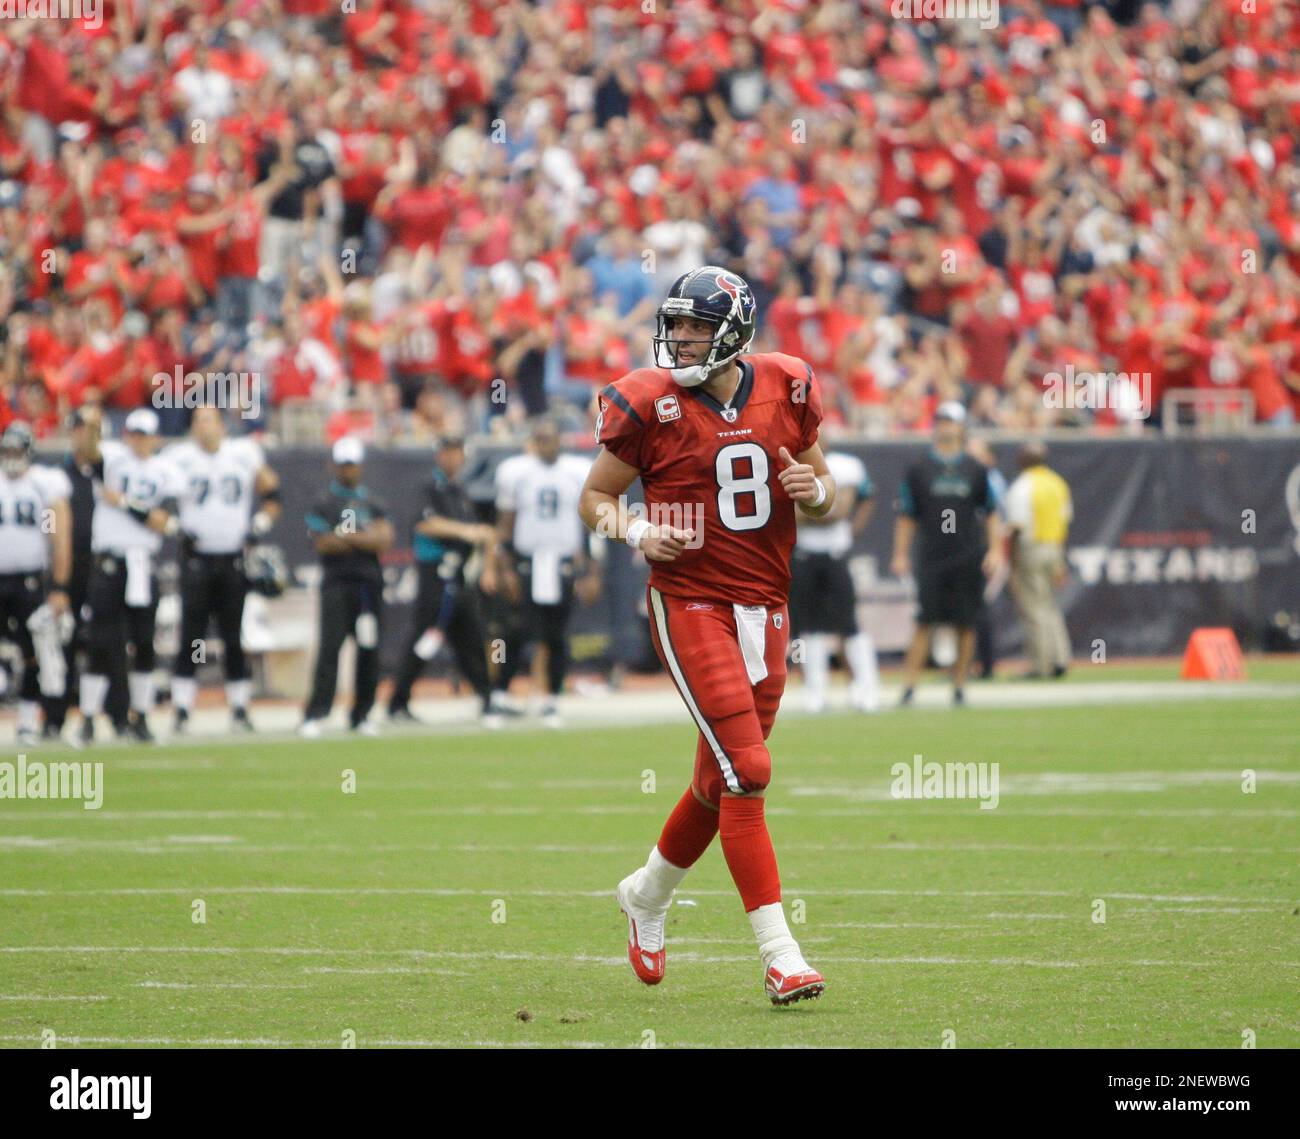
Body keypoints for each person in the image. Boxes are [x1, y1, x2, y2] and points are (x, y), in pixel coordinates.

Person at [578, 265, 835, 1006]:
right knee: (748, 768)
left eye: (697, 326)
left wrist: (816, 492)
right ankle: (781, 954)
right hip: (690, 601)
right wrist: (635, 530)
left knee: (717, 780)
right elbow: (594, 497)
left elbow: (826, 494)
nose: (683, 338)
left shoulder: (787, 384)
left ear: (735, 332)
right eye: (678, 325)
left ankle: (645, 894)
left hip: (767, 605)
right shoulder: (649, 401)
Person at [165, 406, 281, 734]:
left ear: (222, 426)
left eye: (210, 420)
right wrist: (174, 527)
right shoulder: (178, 458)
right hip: (196, 559)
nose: (205, 427)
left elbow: (274, 493)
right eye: (199, 421)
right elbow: (154, 500)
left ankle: (240, 708)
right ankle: (182, 708)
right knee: (192, 637)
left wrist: (260, 523)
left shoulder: (243, 454)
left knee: (233, 635)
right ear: (192, 428)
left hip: (233, 559)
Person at [79, 408, 183, 745]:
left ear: (156, 438)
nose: (139, 441)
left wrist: (124, 501)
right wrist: (91, 422)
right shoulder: (112, 458)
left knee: (144, 642)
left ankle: (141, 715)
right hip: (109, 561)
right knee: (99, 641)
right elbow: (88, 450)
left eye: (144, 435)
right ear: (127, 435)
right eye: (134, 434)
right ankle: (88, 717)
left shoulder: (167, 470)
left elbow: (165, 522)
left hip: (141, 563)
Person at [891, 402, 1003, 707]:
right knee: (925, 621)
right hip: (932, 555)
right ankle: (909, 686)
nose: (945, 426)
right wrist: (900, 553)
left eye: (951, 421)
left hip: (968, 553)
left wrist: (994, 549)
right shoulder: (919, 469)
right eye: (941, 420)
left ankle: (959, 685)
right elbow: (907, 515)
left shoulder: (976, 469)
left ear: (961, 426)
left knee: (966, 623)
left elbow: (991, 511)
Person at [386, 435, 501, 728]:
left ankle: (487, 698)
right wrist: (466, 532)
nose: (453, 458)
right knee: (424, 636)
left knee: (470, 637)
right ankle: (398, 700)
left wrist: (486, 562)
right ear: (439, 455)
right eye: (448, 452)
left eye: (457, 452)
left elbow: (484, 533)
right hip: (436, 573)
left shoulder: (459, 490)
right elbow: (425, 522)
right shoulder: (430, 487)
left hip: (460, 575)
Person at [491, 417, 597, 727]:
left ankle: (551, 699)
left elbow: (590, 525)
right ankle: (500, 695)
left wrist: (591, 571)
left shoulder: (577, 471)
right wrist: (504, 568)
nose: (546, 444)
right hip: (527, 561)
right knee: (515, 631)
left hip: (562, 563)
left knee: (556, 635)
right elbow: (505, 525)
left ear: (560, 440)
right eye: (540, 438)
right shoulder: (516, 472)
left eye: (550, 438)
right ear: (533, 442)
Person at [44, 408, 130, 739]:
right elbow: (49, 523)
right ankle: (54, 719)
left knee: (109, 642)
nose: (85, 434)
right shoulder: (58, 476)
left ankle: (118, 716)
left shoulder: (111, 469)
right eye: (80, 428)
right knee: (61, 645)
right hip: (71, 567)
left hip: (104, 566)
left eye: (91, 428)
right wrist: (56, 576)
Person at [300, 437, 393, 738]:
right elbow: (323, 543)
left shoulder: (373, 501)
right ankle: (316, 713)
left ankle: (362, 713)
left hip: (369, 586)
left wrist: (345, 535)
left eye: (352, 464)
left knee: (369, 648)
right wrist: (363, 536)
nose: (348, 470)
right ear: (334, 466)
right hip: (337, 584)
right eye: (343, 464)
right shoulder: (325, 501)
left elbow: (384, 540)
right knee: (330, 648)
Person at [790, 449, 880, 713]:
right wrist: (818, 513)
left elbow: (841, 511)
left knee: (849, 625)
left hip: (835, 553)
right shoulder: (789, 463)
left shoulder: (845, 466)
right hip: (803, 554)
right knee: (805, 628)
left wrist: (848, 525)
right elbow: (791, 514)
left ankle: (865, 688)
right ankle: (814, 690)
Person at [0, 422, 73, 746]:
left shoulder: (43, 486)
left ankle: (28, 722)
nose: (12, 456)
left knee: (32, 652)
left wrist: (59, 586)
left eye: (17, 450)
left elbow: (56, 535)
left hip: (30, 579)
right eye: (7, 450)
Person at [1004, 442, 1073, 678]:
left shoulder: (1023, 486)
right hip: (1054, 546)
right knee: (1050, 606)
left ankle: (1040, 664)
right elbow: (1065, 520)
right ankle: (1060, 658)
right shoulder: (1057, 483)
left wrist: (1012, 562)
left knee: (1034, 608)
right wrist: (1060, 558)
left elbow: (1016, 527)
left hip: (1031, 548)